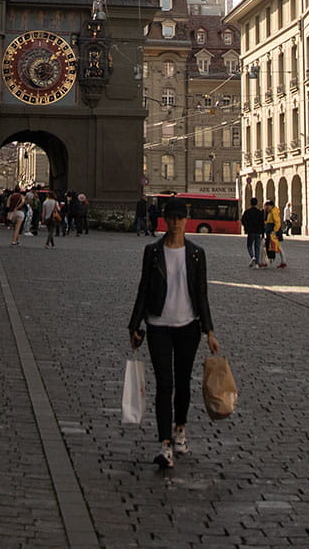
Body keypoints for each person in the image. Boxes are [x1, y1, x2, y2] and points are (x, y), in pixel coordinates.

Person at [126, 199, 220, 469]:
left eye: (181, 218)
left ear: (186, 220)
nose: (177, 223)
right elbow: (143, 288)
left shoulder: (196, 253)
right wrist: (134, 325)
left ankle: (180, 429)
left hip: (188, 327)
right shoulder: (153, 251)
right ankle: (164, 443)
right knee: (164, 384)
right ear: (165, 220)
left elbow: (202, 294)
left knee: (182, 382)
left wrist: (209, 331)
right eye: (172, 218)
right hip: (158, 325)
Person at [240, 198, 267, 267]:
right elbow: (262, 223)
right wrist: (263, 233)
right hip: (258, 232)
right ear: (257, 203)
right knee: (257, 247)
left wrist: (246, 227)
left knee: (249, 246)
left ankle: (252, 257)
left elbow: (243, 220)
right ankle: (257, 263)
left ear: (250, 203)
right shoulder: (259, 212)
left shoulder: (247, 212)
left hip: (250, 231)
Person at [264, 199, 287, 269]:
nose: (266, 208)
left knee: (277, 247)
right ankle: (281, 262)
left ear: (271, 206)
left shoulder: (273, 212)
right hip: (271, 231)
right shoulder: (271, 212)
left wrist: (274, 231)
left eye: (267, 206)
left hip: (273, 232)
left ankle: (282, 262)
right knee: (275, 246)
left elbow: (277, 222)